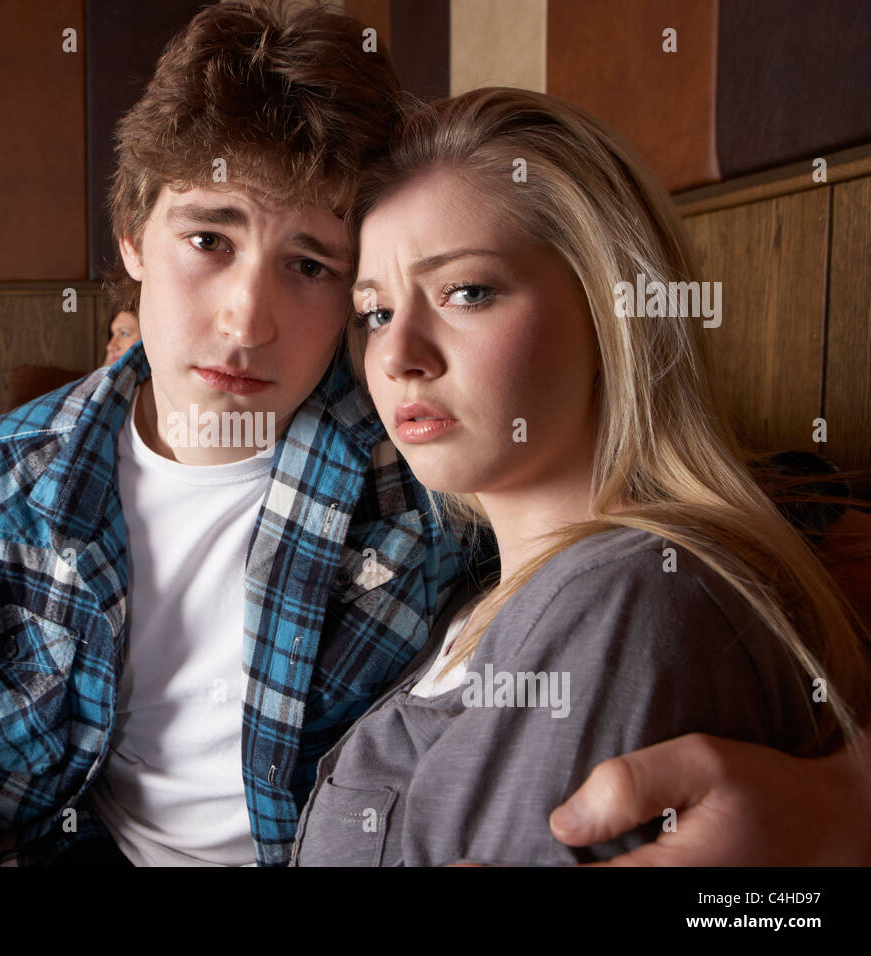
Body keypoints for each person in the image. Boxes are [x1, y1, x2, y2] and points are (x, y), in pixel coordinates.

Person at [0, 2, 867, 867]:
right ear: (133, 241)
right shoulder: (15, 474)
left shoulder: (427, 442)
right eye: (209, 239)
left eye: (315, 265)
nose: (248, 314)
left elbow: (711, 539)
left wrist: (852, 799)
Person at [290, 88, 871, 865]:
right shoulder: (484, 596)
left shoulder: (626, 597)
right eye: (375, 313)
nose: (398, 358)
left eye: (467, 291)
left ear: (611, 309)